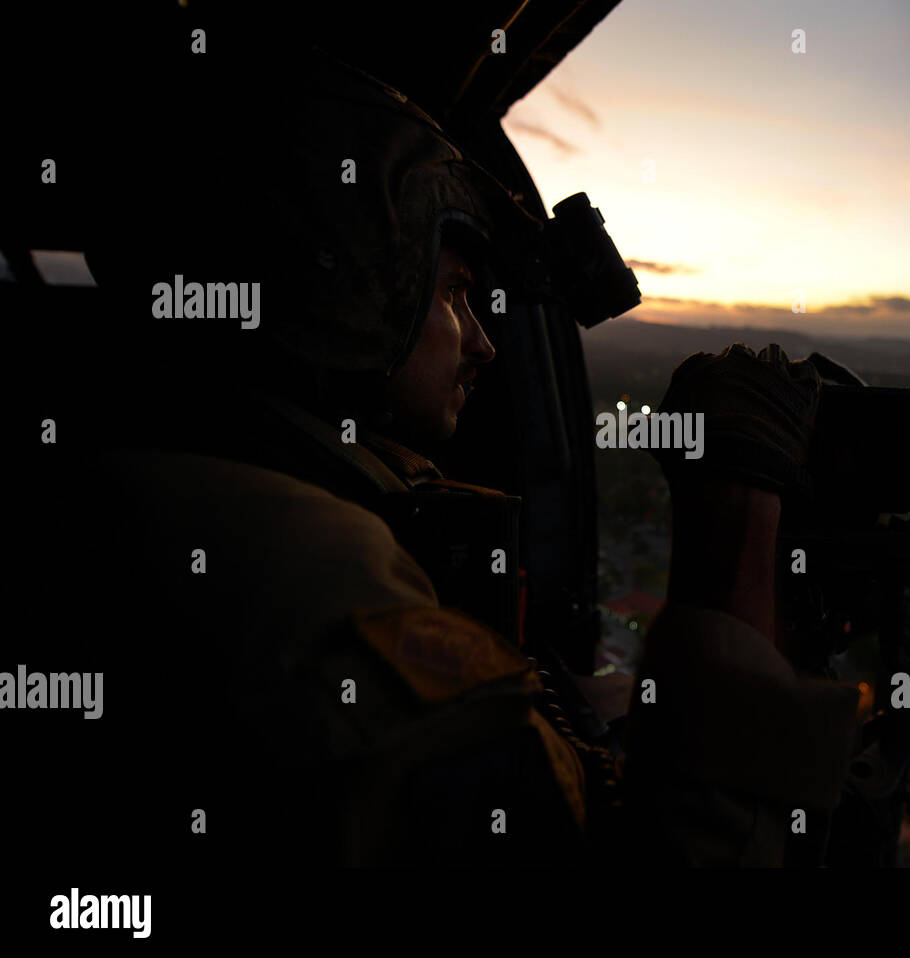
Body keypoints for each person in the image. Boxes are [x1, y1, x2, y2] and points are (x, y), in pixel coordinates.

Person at [46, 45, 863, 868]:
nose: (483, 345)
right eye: (454, 293)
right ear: (344, 284)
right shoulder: (309, 570)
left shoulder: (171, 484)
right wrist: (742, 491)